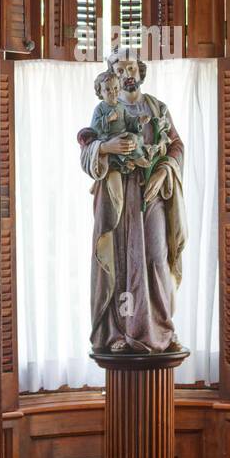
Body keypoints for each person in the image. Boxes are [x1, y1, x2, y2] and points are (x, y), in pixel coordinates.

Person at [78, 49, 187, 354]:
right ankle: (117, 334)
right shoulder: (103, 109)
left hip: (151, 193)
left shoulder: (157, 108)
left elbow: (176, 146)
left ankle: (160, 331)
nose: (126, 74)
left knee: (155, 258)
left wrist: (164, 171)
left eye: (130, 67)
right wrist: (105, 147)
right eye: (119, 69)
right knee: (119, 262)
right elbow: (87, 145)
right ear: (111, 77)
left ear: (139, 71)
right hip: (116, 196)